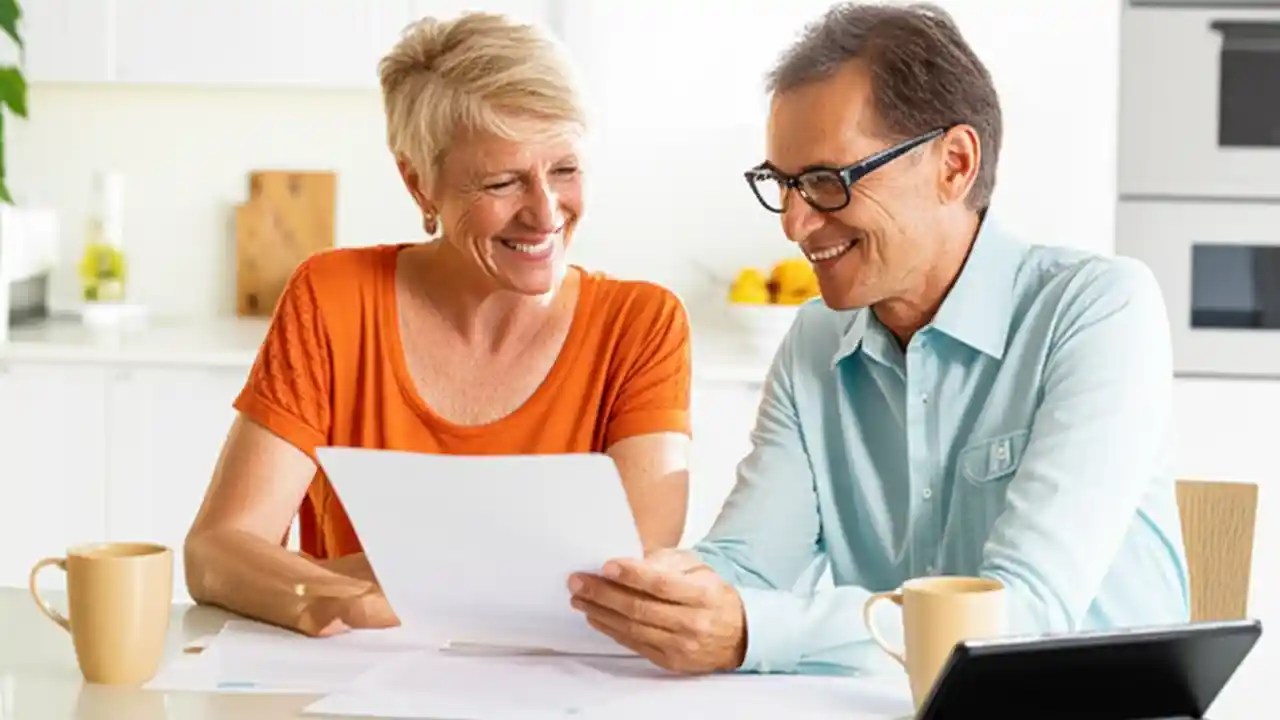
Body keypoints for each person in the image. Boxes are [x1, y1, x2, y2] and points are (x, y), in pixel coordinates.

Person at [568, 2, 1190, 675]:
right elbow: (748, 564)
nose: (795, 224)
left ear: (953, 164)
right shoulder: (817, 339)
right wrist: (642, 590)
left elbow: (1025, 614)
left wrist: (754, 631)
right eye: (783, 184)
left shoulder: (1098, 310)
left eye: (827, 182)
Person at [184, 12, 692, 638]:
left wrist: (392, 576)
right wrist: (341, 597)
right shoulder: (333, 299)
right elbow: (215, 553)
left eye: (565, 169)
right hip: (362, 676)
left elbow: (631, 575)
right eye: (503, 181)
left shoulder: (641, 325)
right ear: (418, 181)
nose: (544, 212)